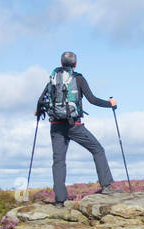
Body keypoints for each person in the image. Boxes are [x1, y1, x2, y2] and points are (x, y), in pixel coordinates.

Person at [35, 51, 117, 206]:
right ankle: (106, 186)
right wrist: (110, 103)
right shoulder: (78, 78)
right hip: (74, 125)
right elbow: (92, 100)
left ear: (61, 63)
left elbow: (41, 101)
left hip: (56, 126)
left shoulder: (53, 79)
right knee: (98, 149)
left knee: (59, 161)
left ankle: (59, 201)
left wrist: (38, 112)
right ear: (75, 64)